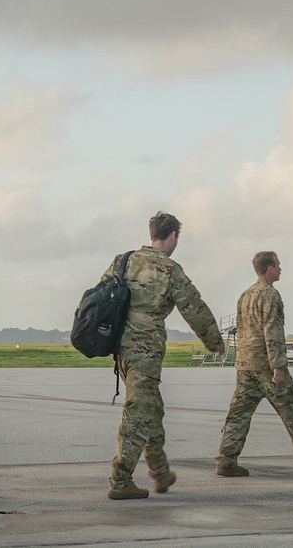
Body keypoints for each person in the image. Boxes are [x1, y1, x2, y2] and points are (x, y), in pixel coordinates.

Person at [106, 211, 225, 500]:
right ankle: (120, 480)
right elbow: (194, 308)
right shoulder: (169, 269)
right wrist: (215, 342)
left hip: (121, 348)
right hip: (145, 349)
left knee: (152, 408)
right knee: (139, 410)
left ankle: (160, 473)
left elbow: (104, 294)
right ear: (172, 236)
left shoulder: (123, 260)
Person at [215, 251, 293, 477]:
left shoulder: (245, 295)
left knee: (238, 413)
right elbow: (272, 330)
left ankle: (226, 460)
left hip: (245, 364)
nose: (281, 269)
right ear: (269, 268)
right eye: (278, 265)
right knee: (291, 408)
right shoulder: (270, 295)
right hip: (265, 365)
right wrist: (277, 365)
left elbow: (241, 330)